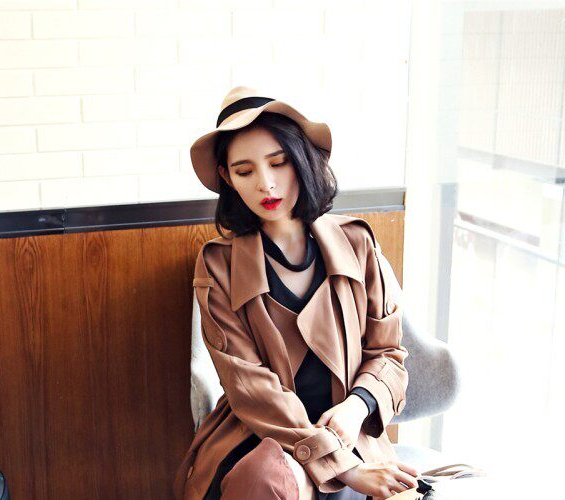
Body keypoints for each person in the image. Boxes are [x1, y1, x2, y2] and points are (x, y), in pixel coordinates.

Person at [173, 86, 419, 500]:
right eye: (245, 171)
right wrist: (343, 467)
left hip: (350, 433)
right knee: (266, 481)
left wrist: (355, 407)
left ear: (301, 158)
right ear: (227, 178)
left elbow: (388, 356)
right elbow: (250, 388)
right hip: (261, 437)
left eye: (278, 162)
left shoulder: (358, 243)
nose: (266, 184)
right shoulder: (217, 265)